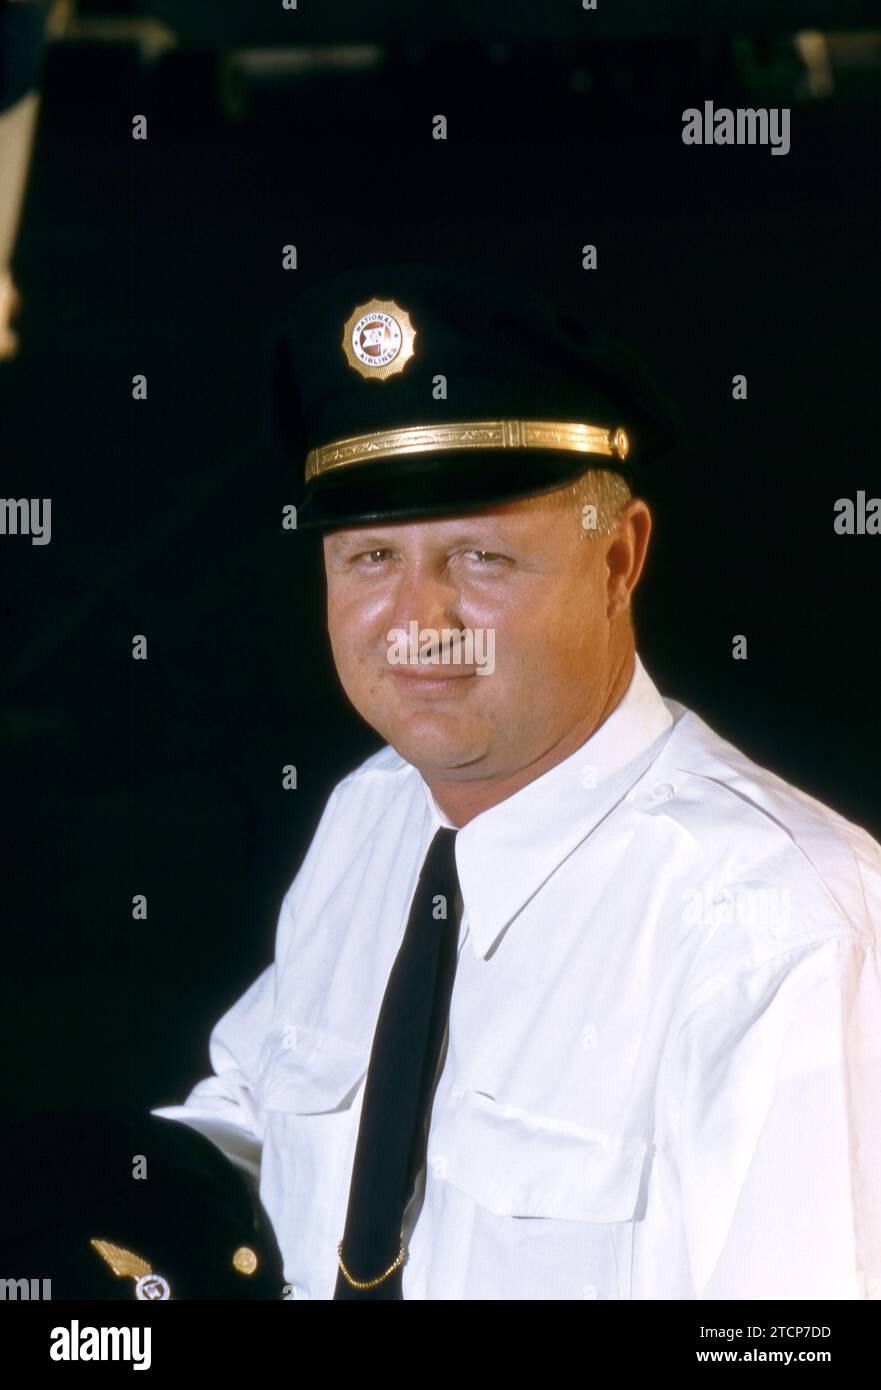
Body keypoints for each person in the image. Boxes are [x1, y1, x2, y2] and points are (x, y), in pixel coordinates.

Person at [152, 264, 881, 1301]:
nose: (416, 618)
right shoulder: (374, 814)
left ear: (618, 561)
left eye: (481, 556)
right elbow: (260, 1114)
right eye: (368, 559)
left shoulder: (779, 929)